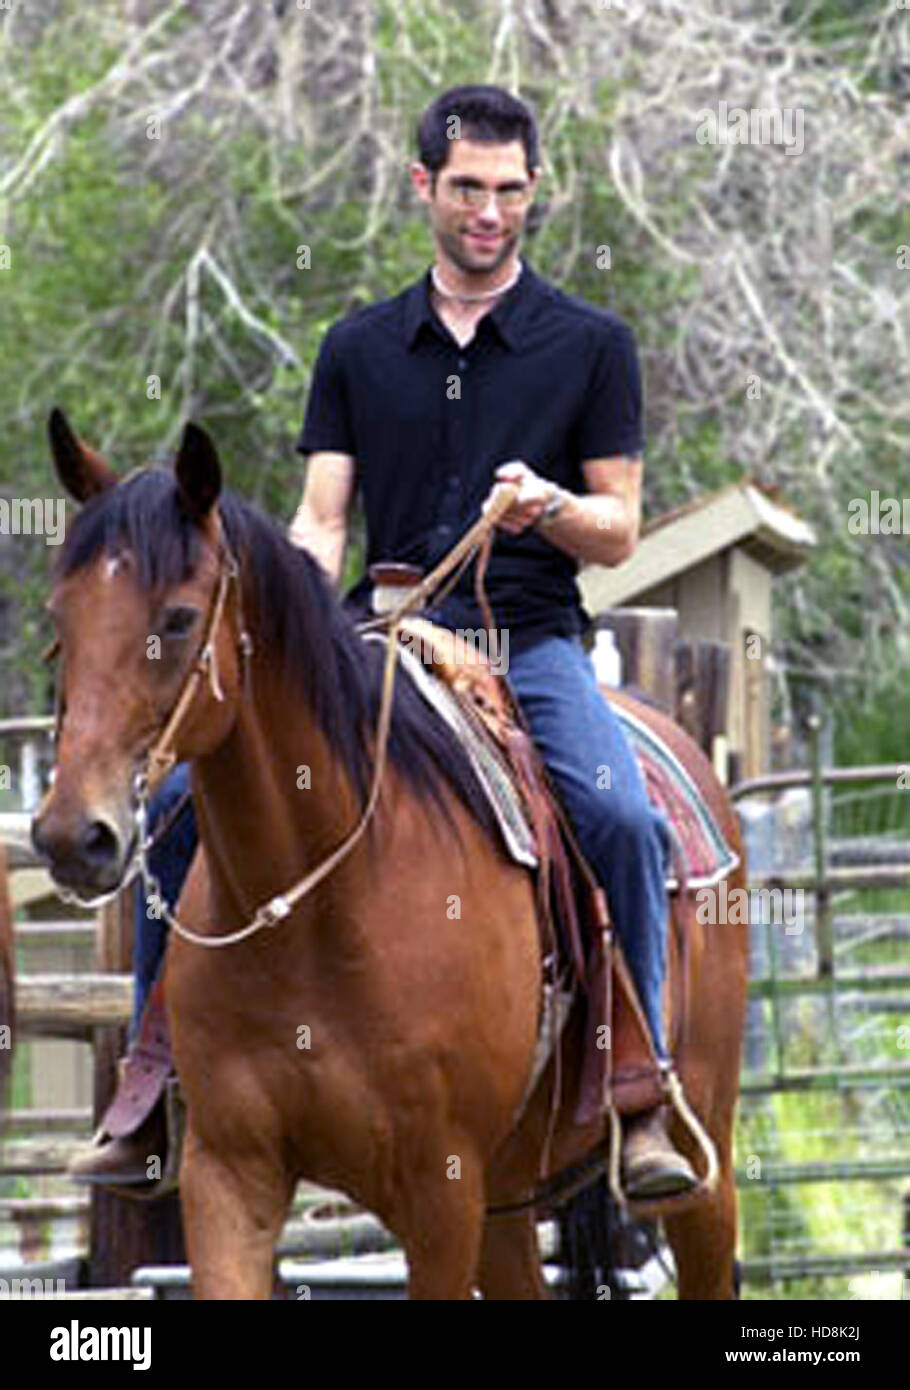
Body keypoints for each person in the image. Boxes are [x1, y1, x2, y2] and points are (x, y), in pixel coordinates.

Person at [70, 83, 696, 1199]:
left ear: (533, 192)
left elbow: (619, 529)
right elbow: (319, 519)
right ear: (424, 187)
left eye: (509, 191)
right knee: (171, 805)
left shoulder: (591, 346)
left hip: (529, 639)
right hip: (383, 630)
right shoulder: (356, 345)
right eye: (466, 188)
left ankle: (634, 1092)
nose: (488, 212)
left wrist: (545, 503)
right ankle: (153, 1085)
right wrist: (294, 617)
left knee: (616, 813)